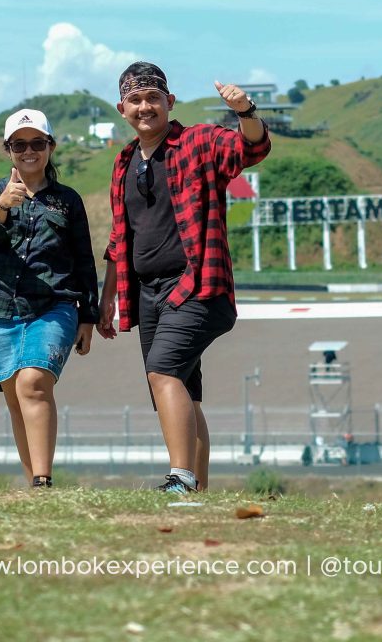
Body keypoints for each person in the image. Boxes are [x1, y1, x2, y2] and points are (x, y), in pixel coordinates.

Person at [96, 62, 270, 494]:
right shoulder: (122, 163)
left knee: (162, 372)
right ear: (122, 108)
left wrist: (245, 112)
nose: (144, 107)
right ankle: (199, 492)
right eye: (135, 100)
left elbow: (252, 150)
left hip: (197, 285)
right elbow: (120, 238)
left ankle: (181, 478)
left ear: (169, 102)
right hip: (148, 293)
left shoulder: (199, 142)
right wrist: (106, 300)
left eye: (153, 98)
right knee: (182, 395)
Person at [0, 108, 100, 488]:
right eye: (20, 145)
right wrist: (4, 207)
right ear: (8, 149)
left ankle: (43, 480)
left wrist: (88, 317)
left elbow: (84, 260)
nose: (29, 152)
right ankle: (34, 485)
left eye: (37, 143)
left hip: (53, 306)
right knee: (14, 395)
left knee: (33, 384)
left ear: (51, 147)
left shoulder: (67, 201)